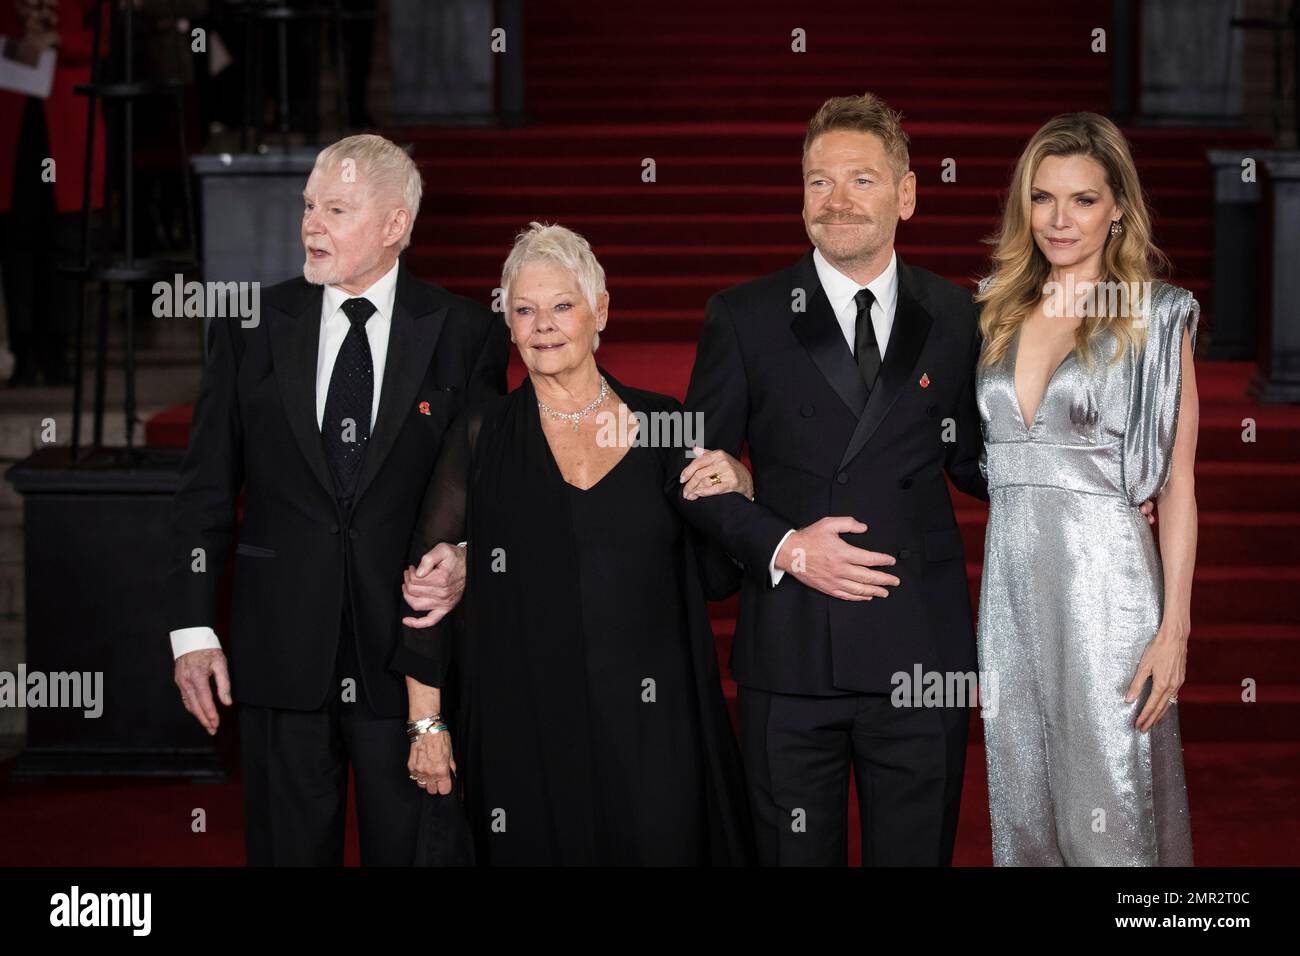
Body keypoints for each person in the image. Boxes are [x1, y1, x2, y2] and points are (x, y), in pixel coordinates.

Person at [166, 133, 508, 865]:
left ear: (395, 227)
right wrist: (193, 632)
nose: (310, 226)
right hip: (280, 650)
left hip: (408, 660)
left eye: (336, 209)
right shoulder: (250, 324)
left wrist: (467, 557)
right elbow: (205, 486)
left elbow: (489, 487)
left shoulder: (466, 334)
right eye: (308, 206)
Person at [670, 92, 989, 866]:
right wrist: (785, 546)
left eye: (862, 180)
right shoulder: (744, 317)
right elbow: (692, 471)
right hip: (792, 655)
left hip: (920, 656)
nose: (837, 200)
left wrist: (1094, 491)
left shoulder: (959, 316)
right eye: (818, 181)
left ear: (907, 193)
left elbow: (977, 462)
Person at [399, 222, 753, 865]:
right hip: (522, 718)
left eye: (563, 306)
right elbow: (426, 586)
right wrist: (428, 723)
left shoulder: (664, 424)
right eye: (525, 310)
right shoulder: (481, 434)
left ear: (601, 311)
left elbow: (716, 574)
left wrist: (741, 483)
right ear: (507, 324)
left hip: (653, 720)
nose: (544, 325)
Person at [974, 112, 1197, 866]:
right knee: (1026, 805)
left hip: (1110, 591)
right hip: (1009, 591)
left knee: (1113, 808)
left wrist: (1174, 632)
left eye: (1082, 200)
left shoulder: (1154, 318)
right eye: (1042, 199)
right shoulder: (999, 310)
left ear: (1118, 210)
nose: (1059, 220)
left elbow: (1177, 485)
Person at [0, 0, 106, 385]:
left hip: (65, 116)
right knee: (17, 239)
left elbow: (104, 38)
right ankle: (24, 349)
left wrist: (57, 37)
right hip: (12, 112)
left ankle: (59, 348)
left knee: (65, 239)